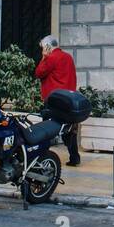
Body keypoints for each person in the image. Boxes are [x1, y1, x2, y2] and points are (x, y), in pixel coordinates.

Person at [35, 35, 81, 167]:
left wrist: (44, 57)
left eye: (43, 48)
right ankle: (74, 157)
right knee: (69, 129)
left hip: (54, 100)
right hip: (68, 100)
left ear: (47, 47)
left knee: (46, 129)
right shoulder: (68, 57)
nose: (42, 50)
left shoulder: (51, 58)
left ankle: (42, 156)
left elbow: (38, 73)